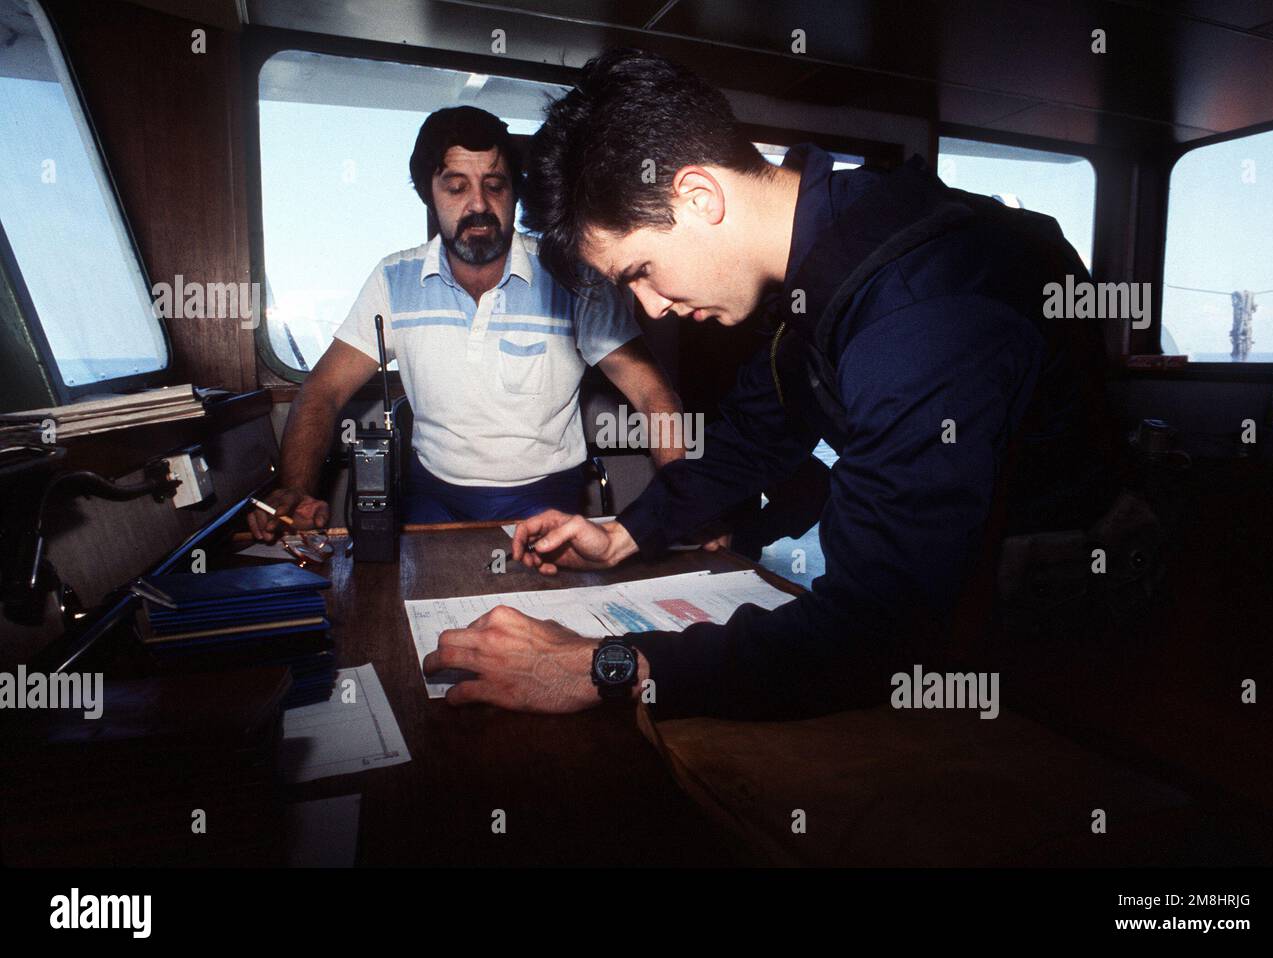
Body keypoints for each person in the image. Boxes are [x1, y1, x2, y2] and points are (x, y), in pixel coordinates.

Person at [420, 50, 1116, 720]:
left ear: (697, 195)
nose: (653, 308)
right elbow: (750, 439)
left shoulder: (916, 312)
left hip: (1044, 658)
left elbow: (880, 633)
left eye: (639, 272)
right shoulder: (829, 252)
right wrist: (624, 535)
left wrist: (599, 666)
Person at [249, 106, 682, 538]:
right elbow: (323, 390)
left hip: (547, 501)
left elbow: (652, 394)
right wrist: (295, 490)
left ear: (515, 194)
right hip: (433, 499)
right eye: (456, 188)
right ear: (428, 196)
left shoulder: (572, 275)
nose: (478, 204)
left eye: (495, 186)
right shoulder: (393, 279)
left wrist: (679, 502)